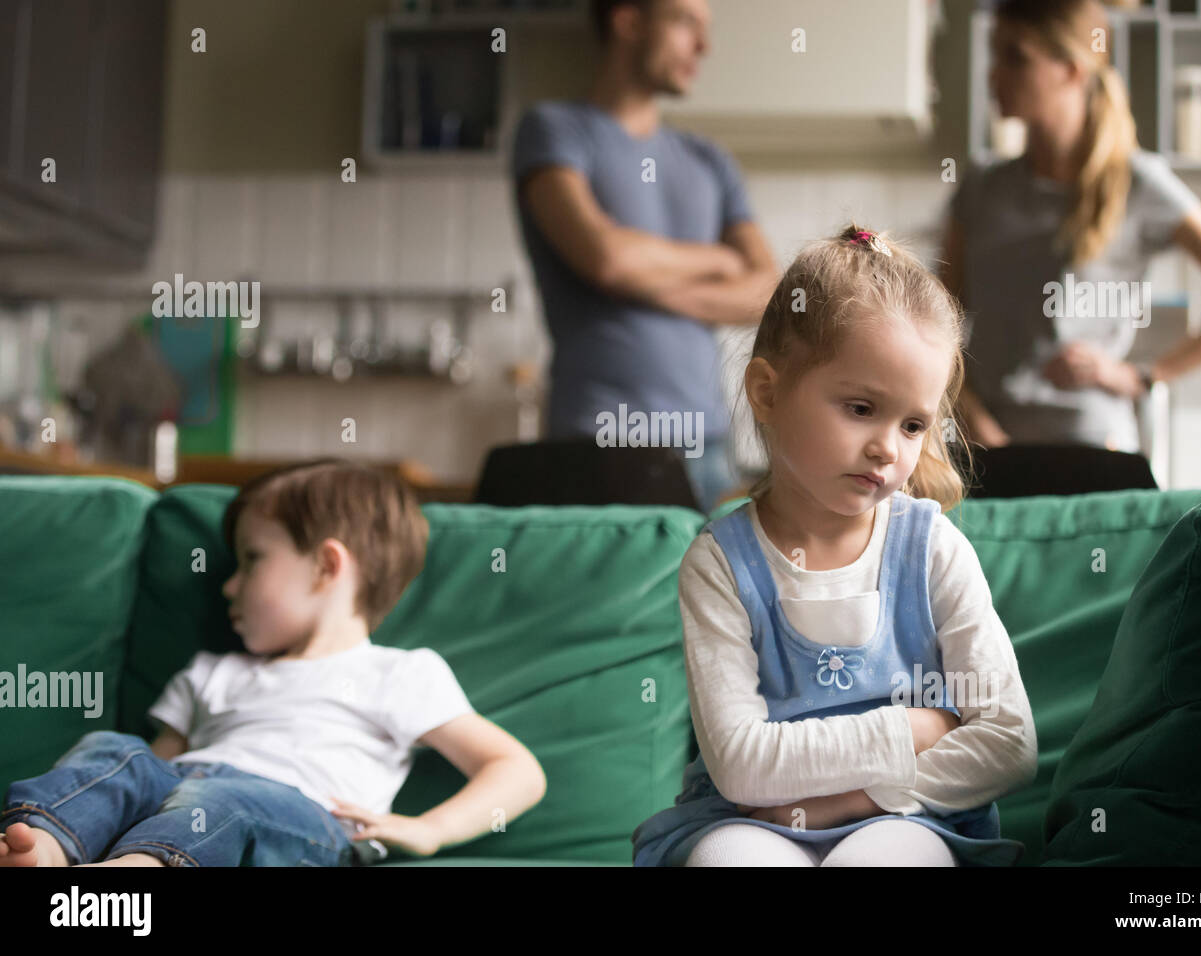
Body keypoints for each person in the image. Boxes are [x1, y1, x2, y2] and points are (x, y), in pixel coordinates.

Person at [631, 225, 1038, 866]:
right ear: (767, 392)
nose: (888, 448)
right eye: (859, 408)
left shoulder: (933, 550)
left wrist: (859, 798)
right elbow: (740, 767)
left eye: (912, 424)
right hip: (749, 820)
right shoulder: (718, 563)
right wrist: (909, 729)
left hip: (912, 815)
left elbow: (1010, 743)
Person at [0, 459, 545, 867]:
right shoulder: (214, 671)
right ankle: (42, 846)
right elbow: (152, 769)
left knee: (223, 800)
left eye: (252, 560)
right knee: (115, 749)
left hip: (298, 818)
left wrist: (431, 828)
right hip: (186, 791)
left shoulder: (399, 674)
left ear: (326, 566)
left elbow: (516, 770)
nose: (228, 586)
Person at [943, 0, 1201, 453]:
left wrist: (1141, 376)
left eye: (1015, 58)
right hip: (982, 451)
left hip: (1092, 449)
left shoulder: (1139, 183)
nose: (993, 75)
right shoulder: (980, 187)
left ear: (1071, 69)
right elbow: (938, 328)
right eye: (996, 55)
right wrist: (972, 418)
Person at [511, 0, 781, 513]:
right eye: (685, 24)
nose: (703, 47)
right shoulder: (553, 130)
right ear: (629, 20)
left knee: (713, 595)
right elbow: (606, 257)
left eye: (705, 30)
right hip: (601, 436)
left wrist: (643, 282)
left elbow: (768, 291)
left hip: (710, 442)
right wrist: (718, 260)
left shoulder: (710, 160)